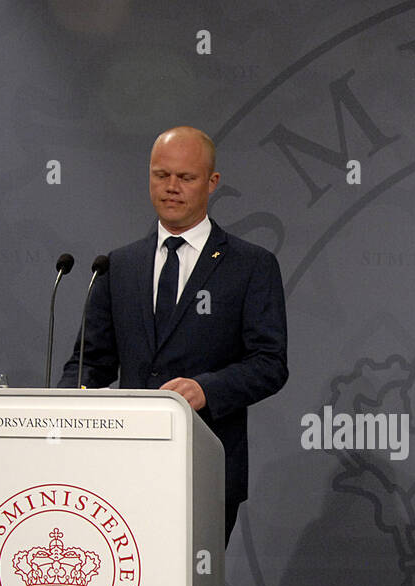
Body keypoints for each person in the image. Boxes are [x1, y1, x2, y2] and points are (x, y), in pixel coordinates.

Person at [60, 126, 288, 542]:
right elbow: (89, 363)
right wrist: (67, 412)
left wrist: (207, 389)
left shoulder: (250, 266)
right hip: (121, 468)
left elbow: (269, 364)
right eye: (161, 175)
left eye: (185, 178)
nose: (171, 188)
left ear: (212, 183)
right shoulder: (117, 267)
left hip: (204, 465)